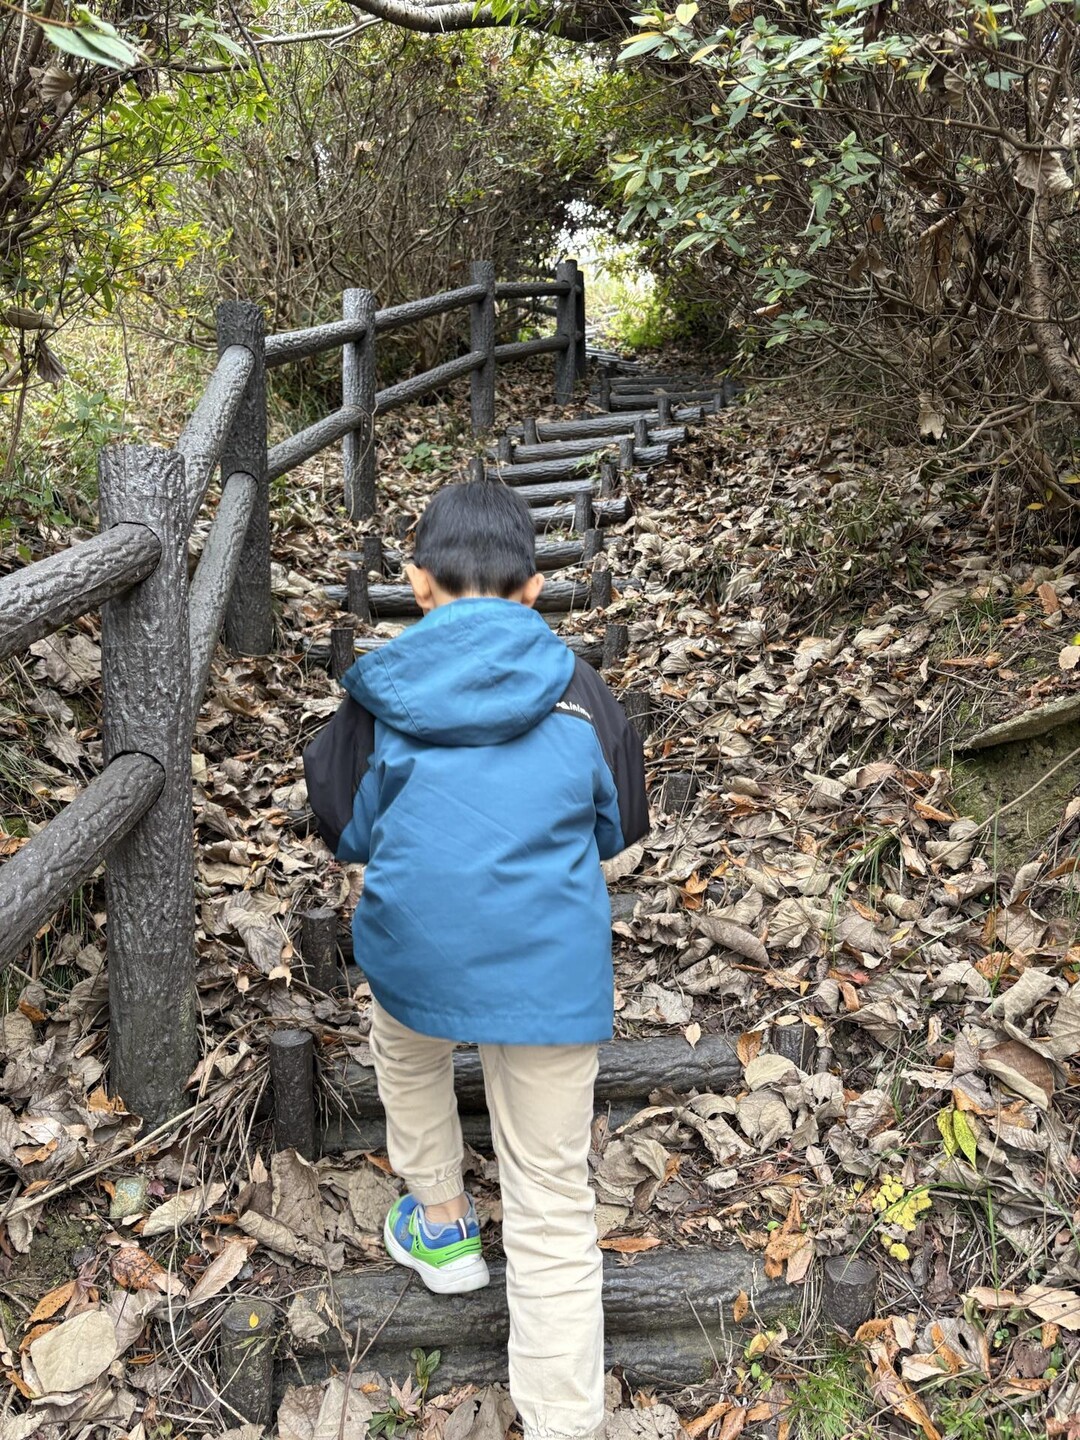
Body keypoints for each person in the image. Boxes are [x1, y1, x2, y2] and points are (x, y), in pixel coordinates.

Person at [303, 479, 648, 1440]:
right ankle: (564, 1421)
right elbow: (620, 832)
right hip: (549, 973)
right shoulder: (583, 692)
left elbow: (346, 829)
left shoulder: (377, 693)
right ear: (537, 591)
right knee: (549, 1195)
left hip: (419, 957)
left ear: (416, 585)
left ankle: (444, 1223)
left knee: (404, 1043)